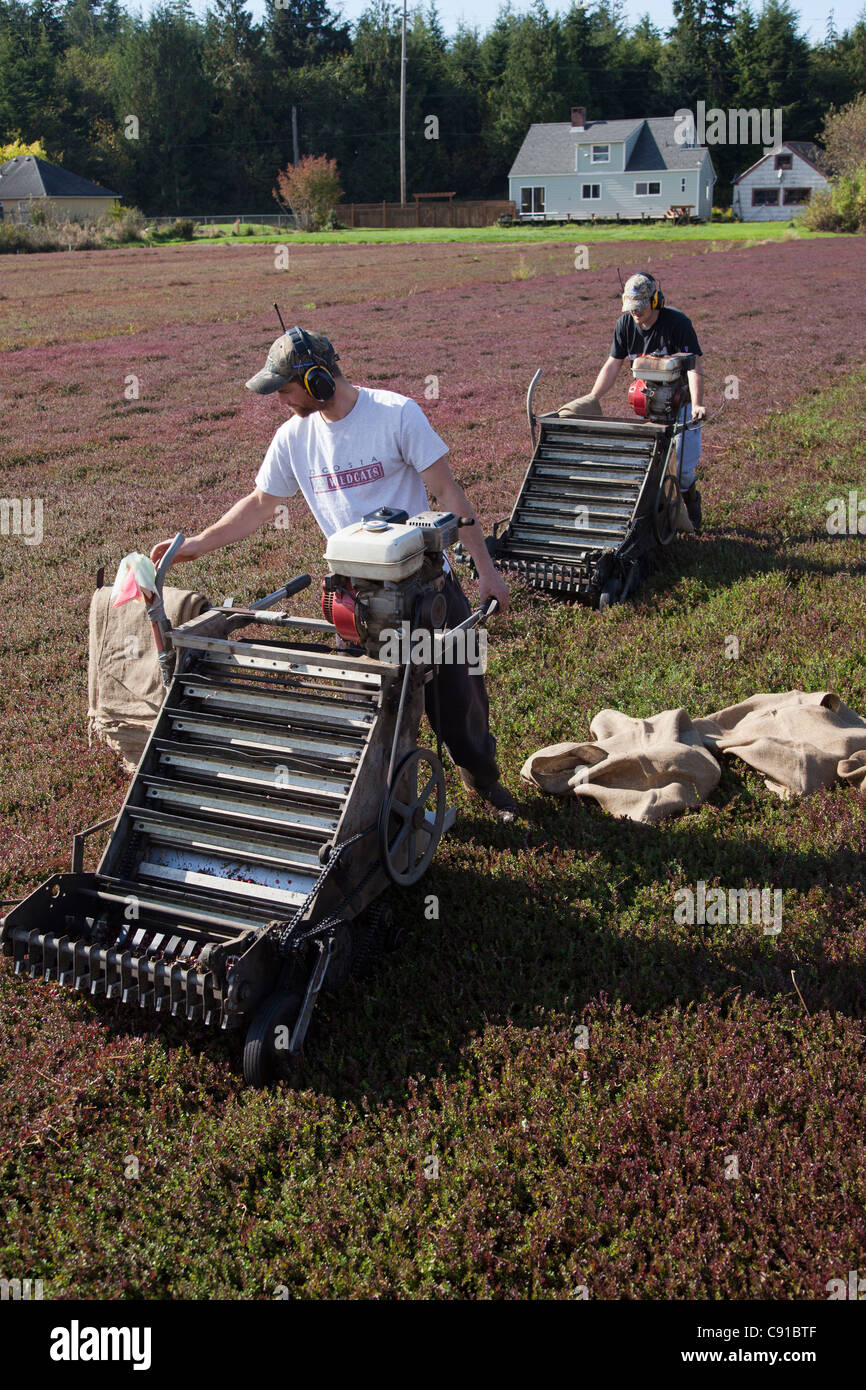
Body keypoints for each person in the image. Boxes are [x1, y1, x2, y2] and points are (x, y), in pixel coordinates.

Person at [150, 327, 516, 820]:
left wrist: (485, 573)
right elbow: (260, 505)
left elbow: (450, 495)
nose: (279, 399)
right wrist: (194, 545)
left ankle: (484, 782)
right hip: (354, 605)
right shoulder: (293, 438)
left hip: (429, 590)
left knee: (460, 707)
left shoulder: (396, 414)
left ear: (318, 379)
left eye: (284, 388)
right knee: (367, 717)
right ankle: (387, 813)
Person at [585, 272, 707, 532]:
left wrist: (697, 403)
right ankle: (659, 520)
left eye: (640, 308)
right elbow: (613, 364)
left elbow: (694, 366)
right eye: (631, 309)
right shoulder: (625, 325)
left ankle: (691, 503)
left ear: (655, 301)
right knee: (651, 465)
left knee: (682, 469)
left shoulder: (678, 323)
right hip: (649, 406)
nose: (635, 314)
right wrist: (593, 397)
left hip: (682, 404)